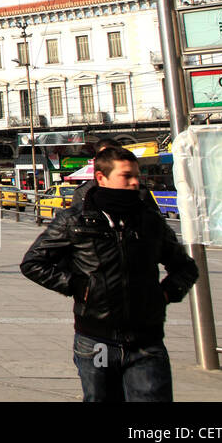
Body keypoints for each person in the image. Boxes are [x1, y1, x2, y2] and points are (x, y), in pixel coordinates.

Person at [21, 146, 199, 402]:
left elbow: (185, 267)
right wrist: (77, 285)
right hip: (97, 341)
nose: (135, 181)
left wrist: (165, 294)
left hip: (145, 342)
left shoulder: (149, 221)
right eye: (126, 176)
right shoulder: (75, 221)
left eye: (137, 175)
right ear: (101, 178)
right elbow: (33, 262)